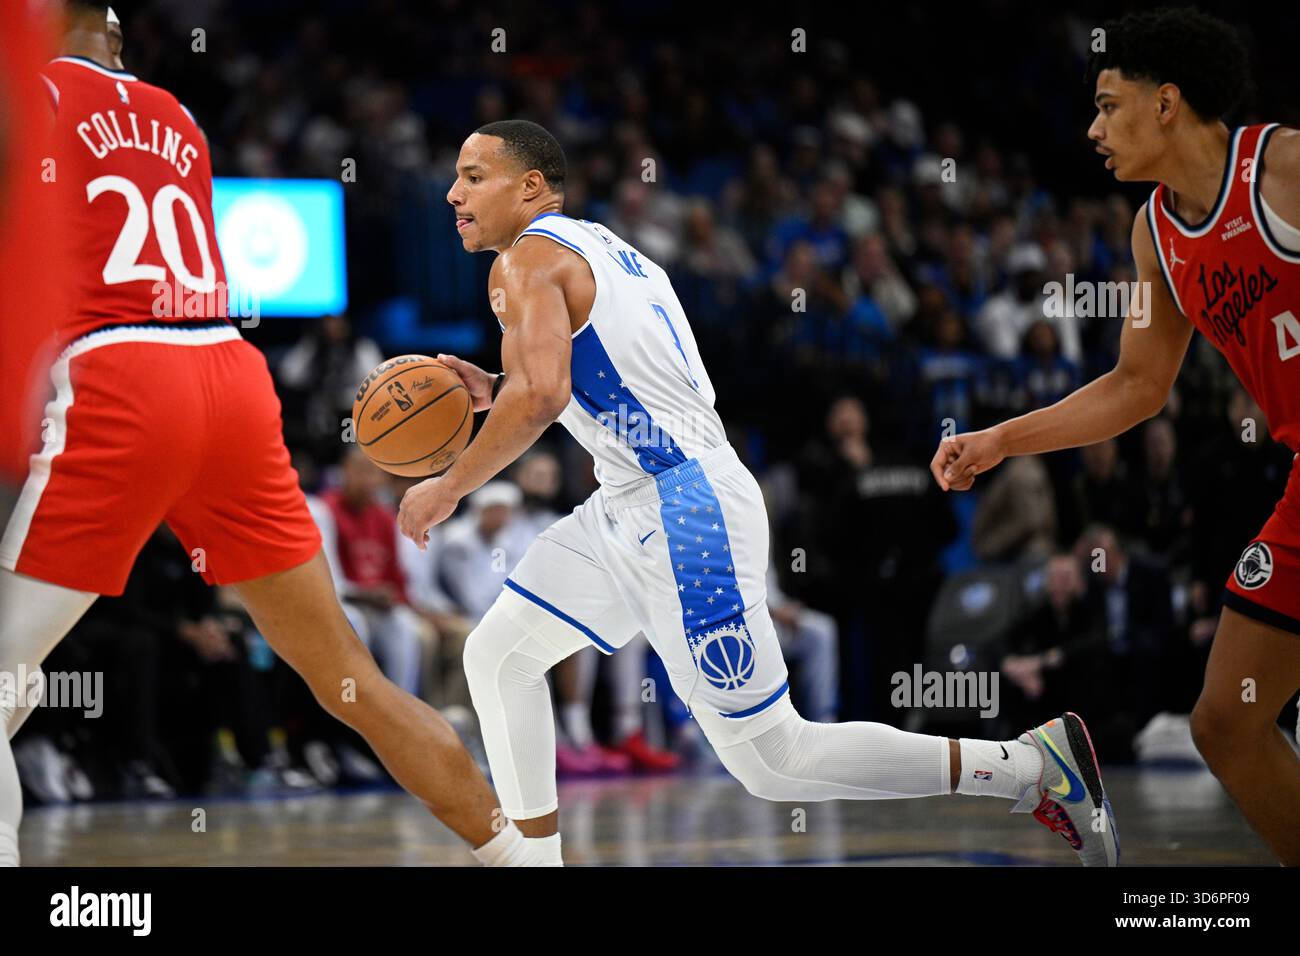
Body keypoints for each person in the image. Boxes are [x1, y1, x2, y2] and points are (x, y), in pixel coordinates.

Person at [397, 119, 1118, 866]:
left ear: (530, 186)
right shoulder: (606, 247)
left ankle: (1032, 768)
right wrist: (500, 388)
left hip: (684, 509)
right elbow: (571, 380)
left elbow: (543, 396)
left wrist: (448, 485)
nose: (453, 192)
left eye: (473, 176)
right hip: (631, 499)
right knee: (500, 657)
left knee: (774, 759)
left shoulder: (524, 261)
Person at [0, 2, 547, 867]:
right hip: (228, 373)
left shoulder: (28, 93)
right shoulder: (175, 117)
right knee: (351, 681)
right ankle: (522, 858)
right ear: (111, 40)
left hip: (123, 378)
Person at [931, 7, 1300, 864]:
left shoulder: (1281, 166)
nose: (1093, 129)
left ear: (1167, 103)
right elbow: (1137, 386)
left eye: (1109, 105)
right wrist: (999, 440)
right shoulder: (1157, 237)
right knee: (1227, 724)